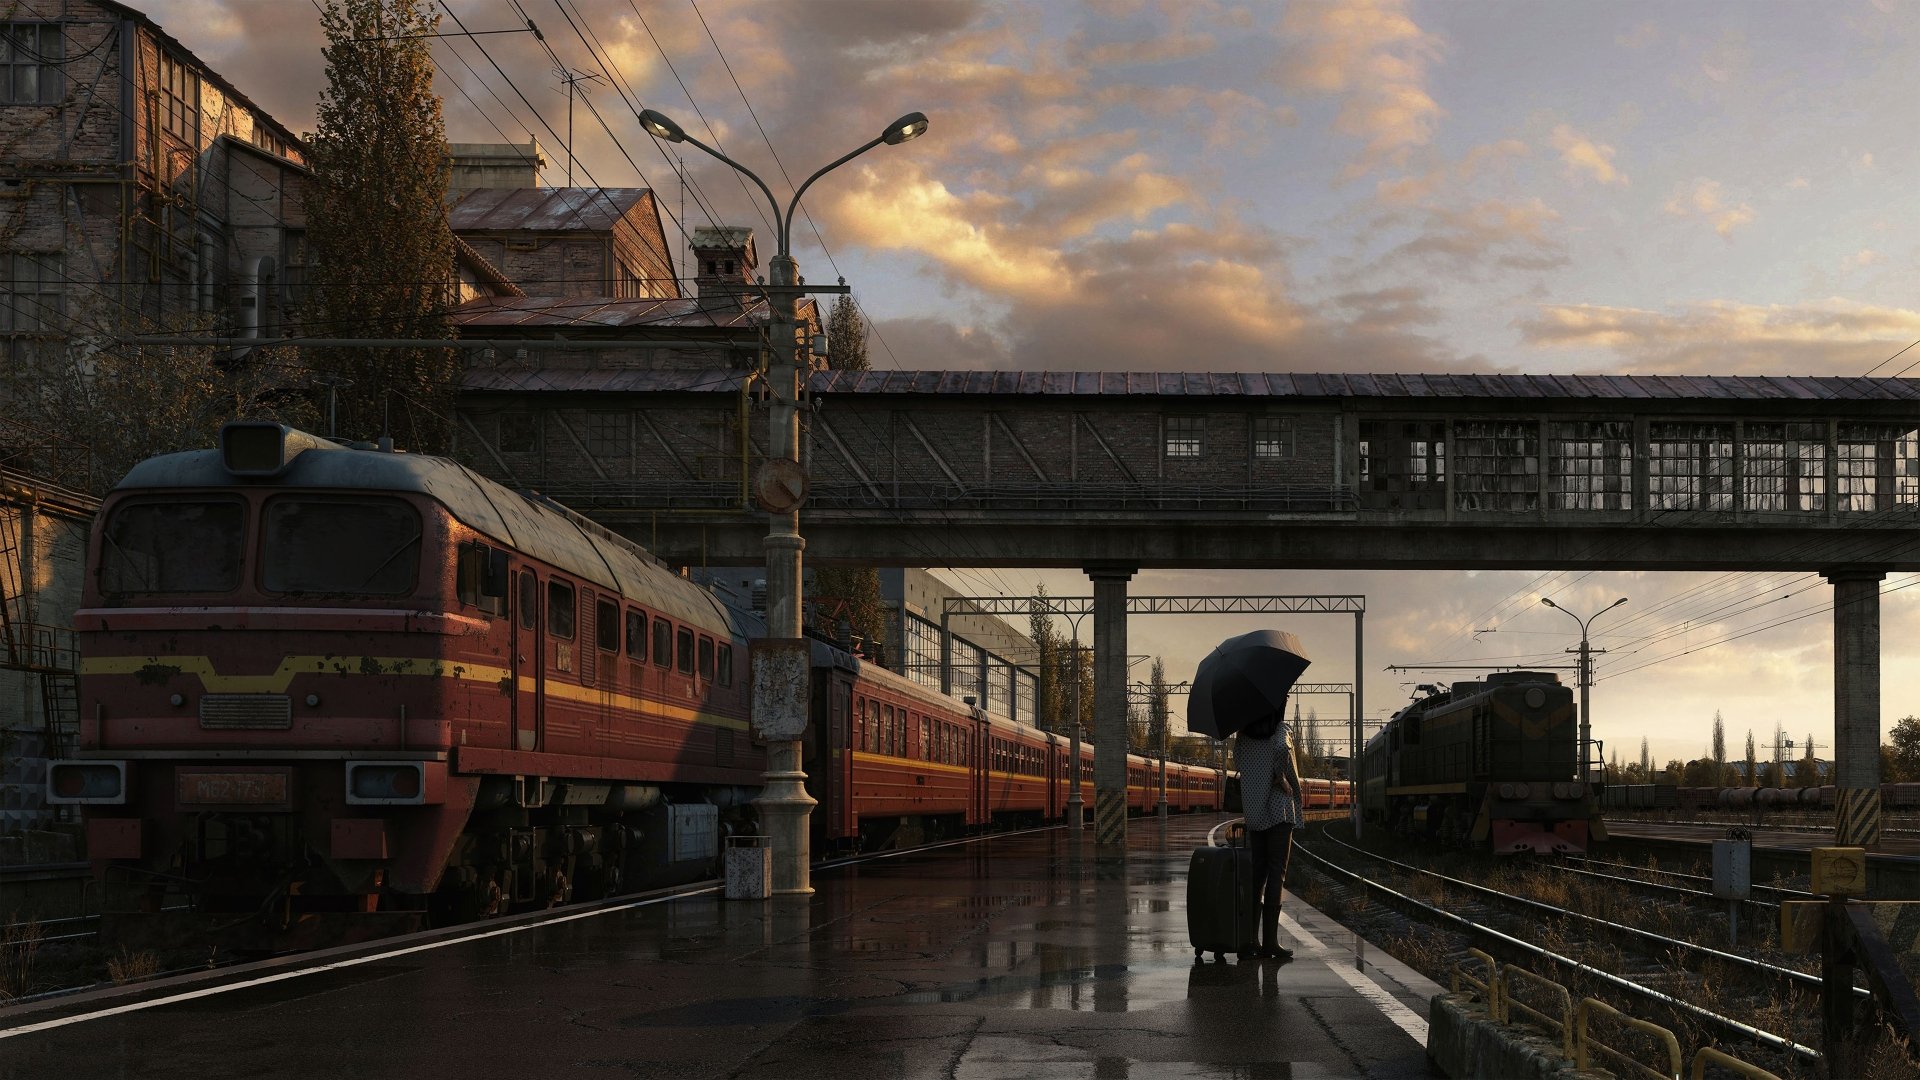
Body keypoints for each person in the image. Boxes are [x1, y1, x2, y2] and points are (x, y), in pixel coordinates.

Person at [1235, 708, 1302, 961]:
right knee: (1277, 872)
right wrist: (1280, 775)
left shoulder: (1243, 736)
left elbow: (1239, 762)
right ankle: (1271, 943)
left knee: (1257, 873)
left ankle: (1250, 941)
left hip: (1255, 811)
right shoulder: (1281, 730)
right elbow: (1283, 751)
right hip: (1279, 811)